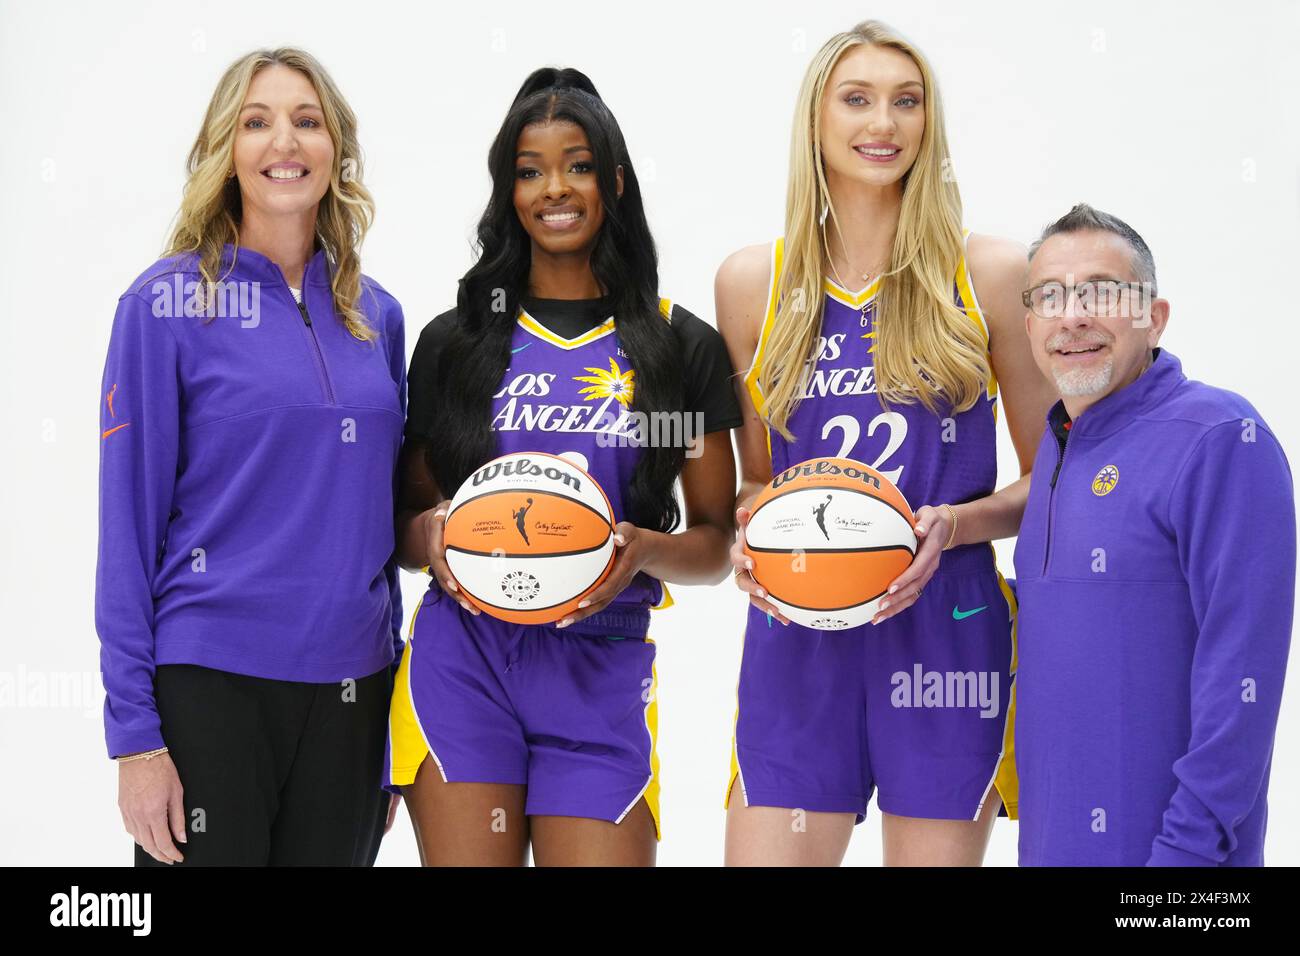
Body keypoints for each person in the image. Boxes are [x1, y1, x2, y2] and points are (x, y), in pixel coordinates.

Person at [717, 20, 1059, 866]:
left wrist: (951, 526)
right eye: (858, 99)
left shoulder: (990, 273)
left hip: (949, 623)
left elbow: (1053, 475)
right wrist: (752, 536)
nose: (885, 123)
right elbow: (755, 481)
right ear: (816, 122)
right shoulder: (751, 282)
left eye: (908, 102)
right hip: (800, 630)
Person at [385, 68, 740, 866]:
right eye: (529, 169)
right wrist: (432, 537)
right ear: (507, 189)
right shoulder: (457, 341)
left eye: (578, 165)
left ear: (613, 180)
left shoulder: (680, 344)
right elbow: (403, 528)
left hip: (603, 660)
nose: (556, 188)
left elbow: (719, 541)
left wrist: (643, 550)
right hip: (464, 657)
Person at [96, 48, 406, 865]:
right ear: (224, 151)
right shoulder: (163, 306)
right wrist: (134, 739)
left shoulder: (377, 317)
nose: (285, 142)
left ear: (336, 149)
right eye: (257, 122)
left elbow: (377, 521)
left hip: (352, 695)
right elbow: (126, 534)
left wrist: (391, 722)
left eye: (308, 122)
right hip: (212, 690)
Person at [1014, 203, 1294, 866]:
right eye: (1051, 296)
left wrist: (1183, 862)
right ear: (1029, 325)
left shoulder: (1221, 438)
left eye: (1103, 293)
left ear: (1154, 317)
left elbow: (1243, 682)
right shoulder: (1057, 447)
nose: (1073, 315)